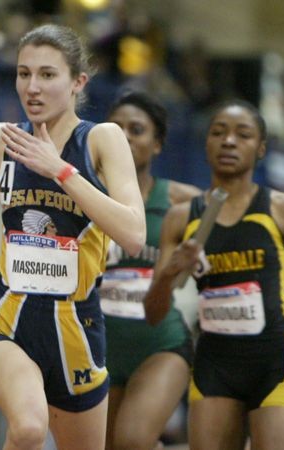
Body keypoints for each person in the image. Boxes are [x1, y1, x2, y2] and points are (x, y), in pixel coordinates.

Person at [0, 23, 145, 450]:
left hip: (77, 331)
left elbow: (133, 234)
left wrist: (60, 170)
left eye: (47, 75)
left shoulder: (102, 140)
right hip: (7, 320)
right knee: (27, 429)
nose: (33, 87)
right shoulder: (3, 138)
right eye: (24, 74)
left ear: (78, 82)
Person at [144, 100, 284, 450]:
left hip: (274, 364)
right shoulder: (180, 218)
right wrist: (172, 269)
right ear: (206, 143)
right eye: (218, 133)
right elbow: (153, 312)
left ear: (261, 148)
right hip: (214, 367)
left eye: (243, 134)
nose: (229, 141)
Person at [100, 91, 200, 450]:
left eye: (137, 129)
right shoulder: (83, 195)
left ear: (157, 144)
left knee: (132, 441)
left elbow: (235, 222)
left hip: (160, 343)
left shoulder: (181, 200)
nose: (125, 136)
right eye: (116, 129)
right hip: (99, 349)